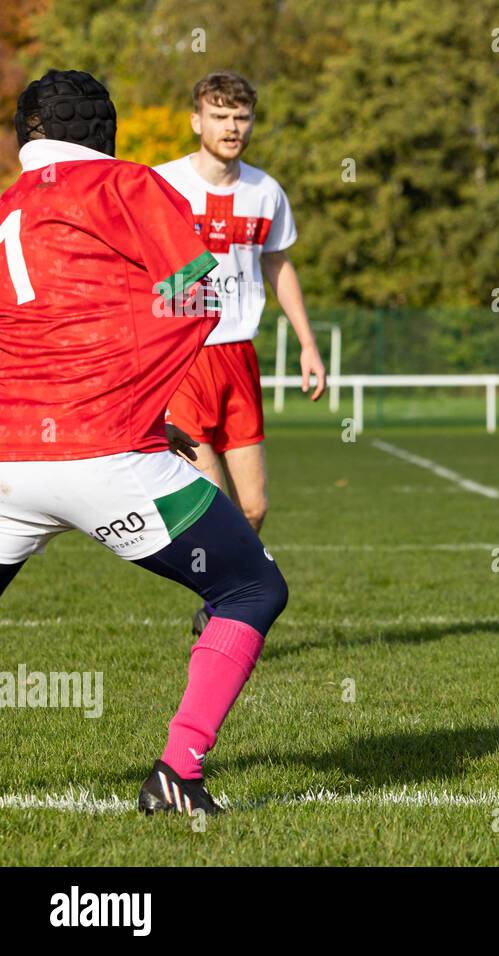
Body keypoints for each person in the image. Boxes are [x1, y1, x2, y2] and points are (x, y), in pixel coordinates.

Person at [0, 70, 288, 815]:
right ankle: (177, 775)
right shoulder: (127, 187)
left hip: (8, 459)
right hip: (105, 454)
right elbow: (196, 297)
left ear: (25, 137)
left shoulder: (6, 208)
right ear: (108, 133)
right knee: (252, 587)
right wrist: (139, 396)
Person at [154, 71, 323, 636]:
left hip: (239, 359)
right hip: (182, 359)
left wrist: (306, 343)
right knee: (216, 506)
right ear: (197, 120)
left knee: (252, 508)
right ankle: (226, 609)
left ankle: (218, 605)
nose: (232, 128)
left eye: (242, 117)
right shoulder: (162, 185)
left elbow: (278, 263)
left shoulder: (264, 191)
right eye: (220, 116)